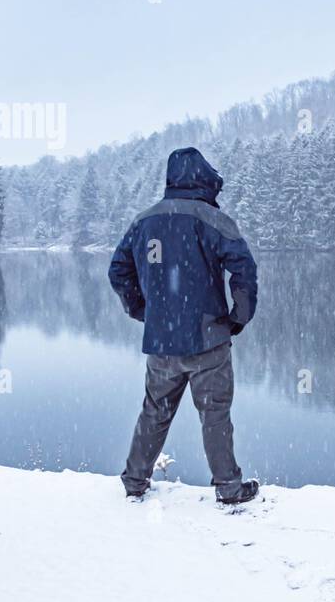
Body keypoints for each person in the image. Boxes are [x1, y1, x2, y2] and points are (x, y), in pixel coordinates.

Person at [108, 147, 259, 505]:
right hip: (209, 339)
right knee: (215, 414)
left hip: (163, 342)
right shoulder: (212, 219)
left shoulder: (144, 221)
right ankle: (228, 487)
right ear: (203, 178)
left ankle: (134, 481)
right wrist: (239, 317)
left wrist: (144, 311)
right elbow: (244, 270)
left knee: (154, 411)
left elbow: (118, 271)